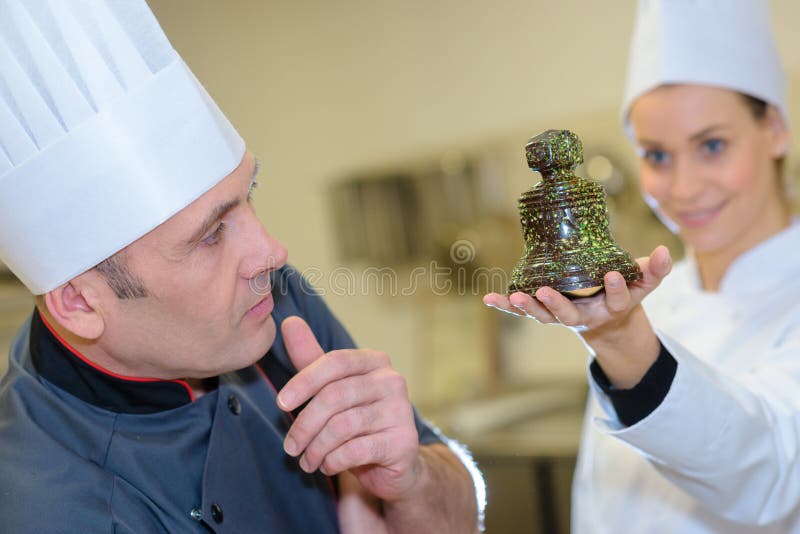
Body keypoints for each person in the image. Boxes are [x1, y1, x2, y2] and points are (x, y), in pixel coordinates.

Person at [0, 1, 484, 532]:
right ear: (81, 302)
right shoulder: (48, 509)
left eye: (248, 194)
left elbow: (456, 515)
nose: (272, 252)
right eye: (211, 236)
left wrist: (410, 480)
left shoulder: (264, 296)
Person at [485, 0, 800, 532]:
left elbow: (770, 475)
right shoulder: (649, 297)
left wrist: (620, 338)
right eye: (656, 155)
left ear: (773, 127)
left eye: (712, 145)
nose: (683, 188)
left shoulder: (630, 323)